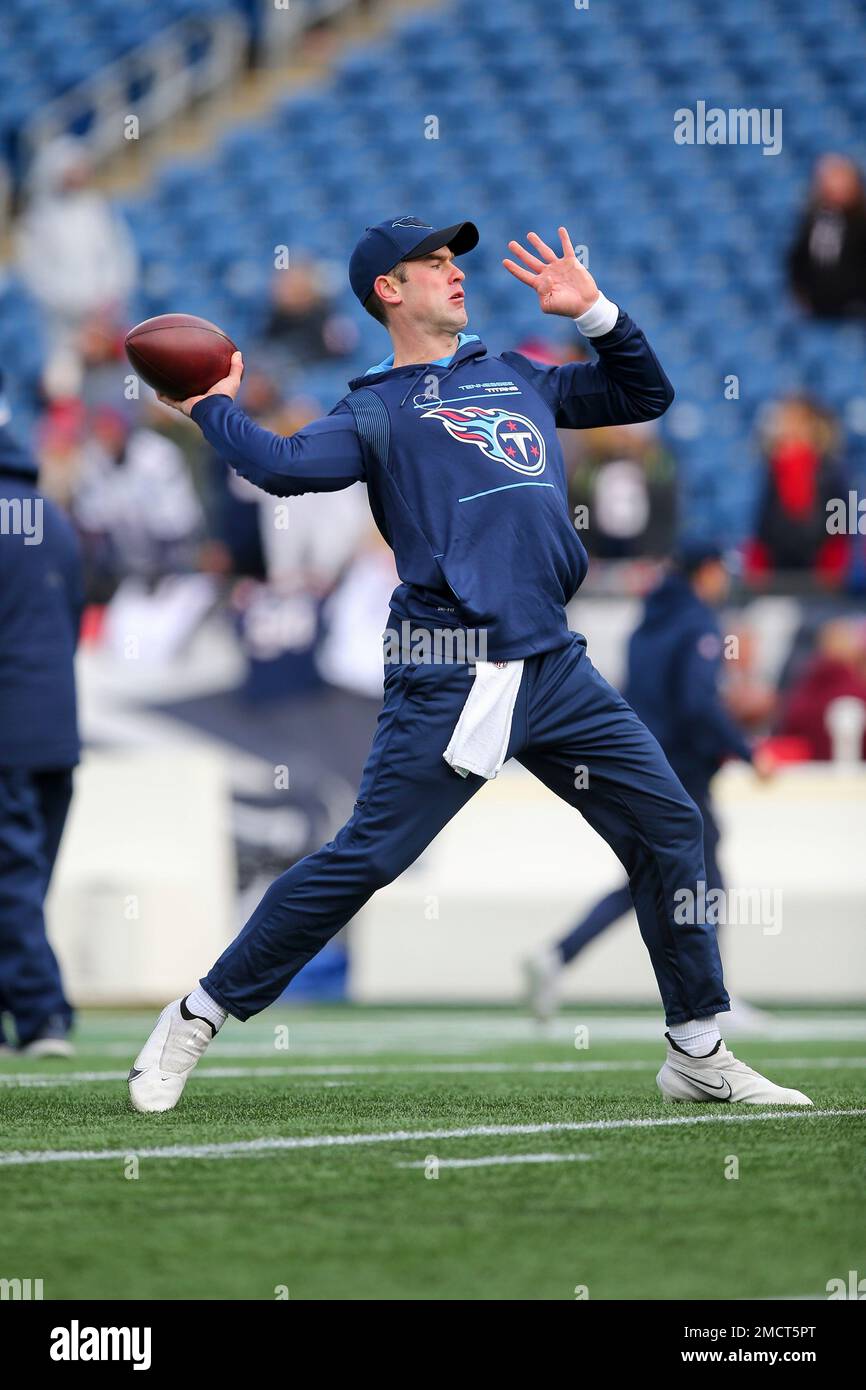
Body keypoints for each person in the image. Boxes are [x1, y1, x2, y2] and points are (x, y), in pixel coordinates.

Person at [128, 216, 811, 1111]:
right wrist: (213, 402)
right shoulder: (373, 405)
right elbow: (284, 467)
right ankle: (197, 1014)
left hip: (552, 662)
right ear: (388, 290)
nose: (456, 275)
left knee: (671, 827)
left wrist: (596, 309)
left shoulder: (514, 371)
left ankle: (697, 1048)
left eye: (455, 262)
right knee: (366, 858)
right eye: (435, 264)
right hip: (451, 660)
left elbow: (644, 393)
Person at [524, 545, 776, 1027]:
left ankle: (559, 954)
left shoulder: (647, 623)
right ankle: (710, 996)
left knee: (652, 875)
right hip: (681, 771)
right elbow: (698, 704)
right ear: (706, 571)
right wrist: (748, 751)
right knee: (703, 879)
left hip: (644, 762)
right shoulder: (697, 623)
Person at [0, 371, 83, 1055]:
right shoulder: (48, 514)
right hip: (55, 728)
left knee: (10, 882)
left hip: (8, 733)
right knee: (23, 881)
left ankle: (41, 1014)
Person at [788, 154, 866, 320]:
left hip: (857, 309)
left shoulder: (860, 222)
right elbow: (798, 258)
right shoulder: (812, 220)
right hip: (818, 309)